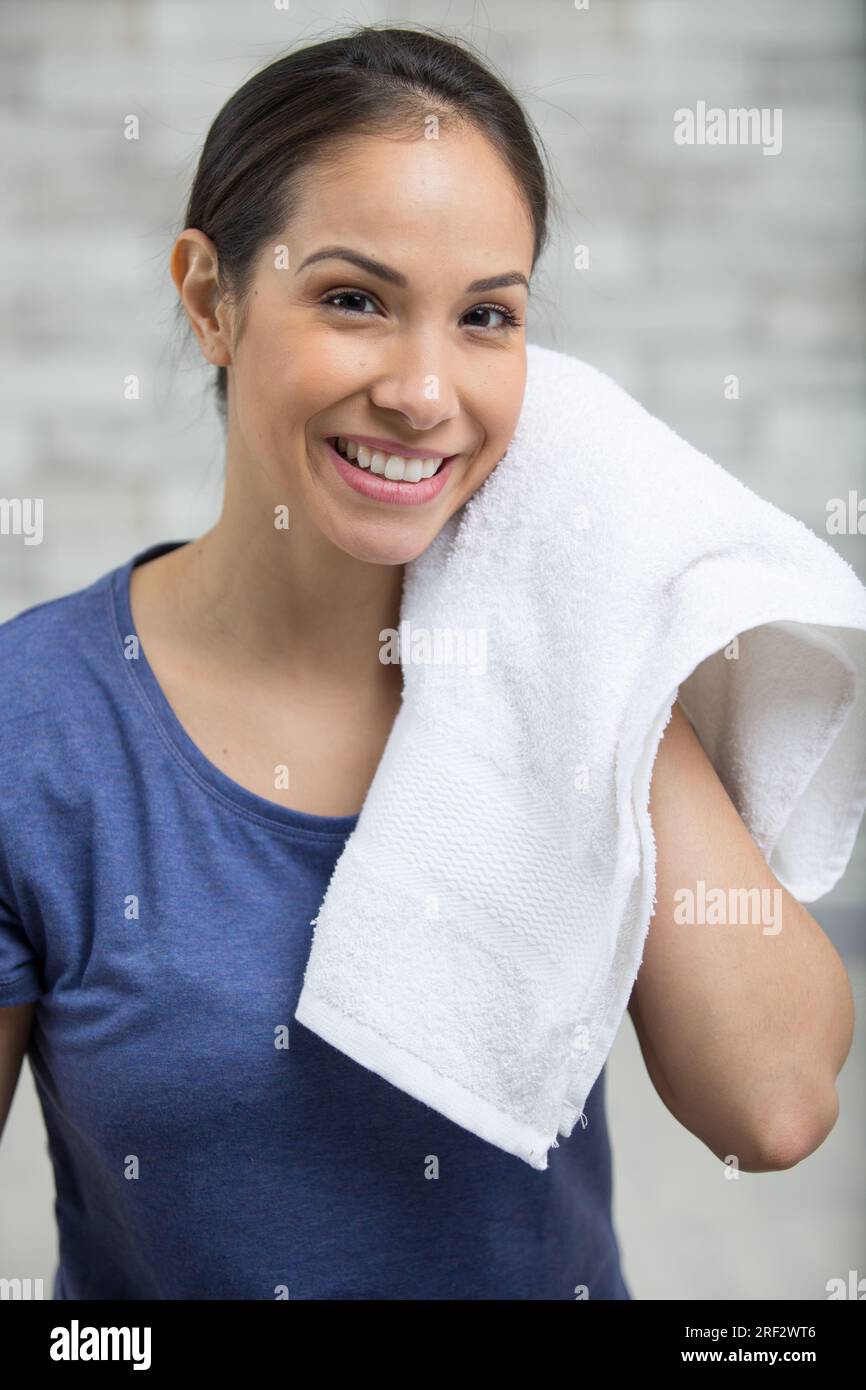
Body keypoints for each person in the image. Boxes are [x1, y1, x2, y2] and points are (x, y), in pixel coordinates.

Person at [0, 24, 852, 1301]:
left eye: (485, 318)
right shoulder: (39, 723)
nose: (420, 388)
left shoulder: (564, 667)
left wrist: (604, 622)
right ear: (209, 297)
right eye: (353, 298)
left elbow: (773, 1106)